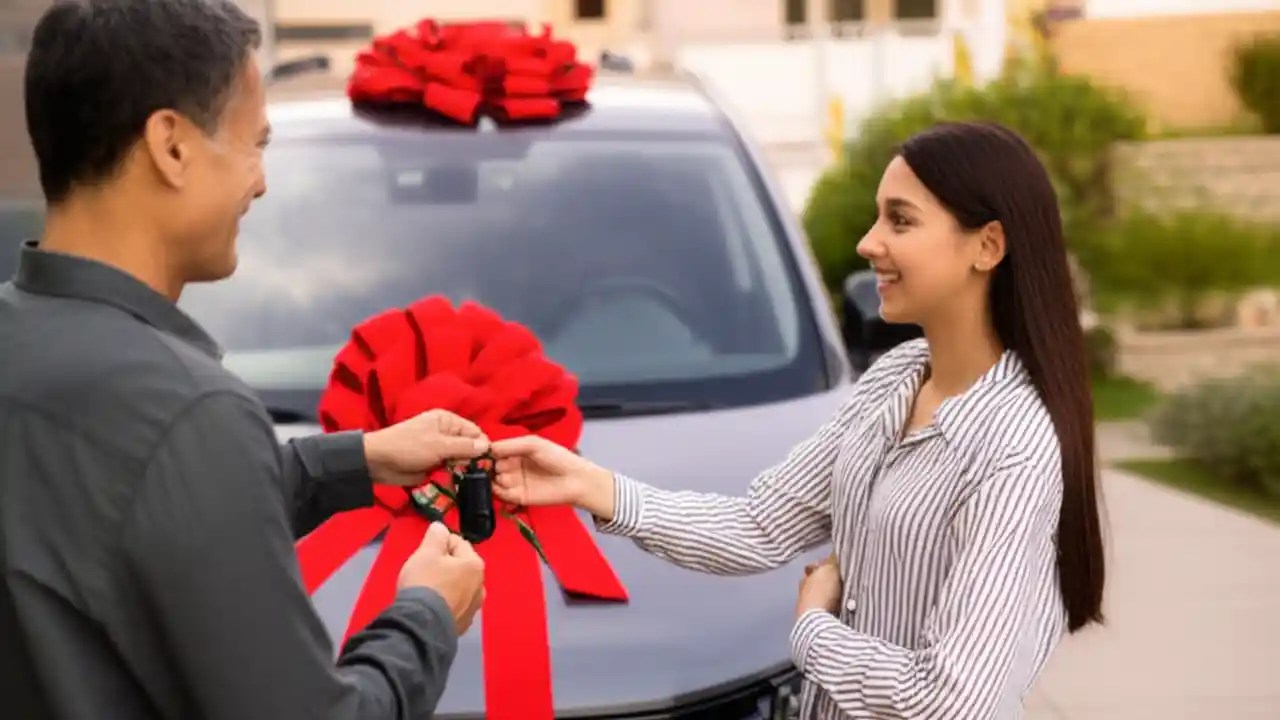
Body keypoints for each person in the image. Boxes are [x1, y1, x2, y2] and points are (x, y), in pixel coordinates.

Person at [490, 121, 1107, 719]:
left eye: (901, 219)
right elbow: (759, 526)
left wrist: (813, 629)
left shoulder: (1016, 445)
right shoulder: (895, 379)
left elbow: (950, 698)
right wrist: (587, 485)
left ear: (987, 246)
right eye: (878, 215)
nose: (869, 243)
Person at [0, 1, 485, 719]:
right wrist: (427, 616)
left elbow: (121, 515)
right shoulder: (187, 410)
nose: (260, 182)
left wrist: (362, 457)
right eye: (255, 144)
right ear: (171, 146)